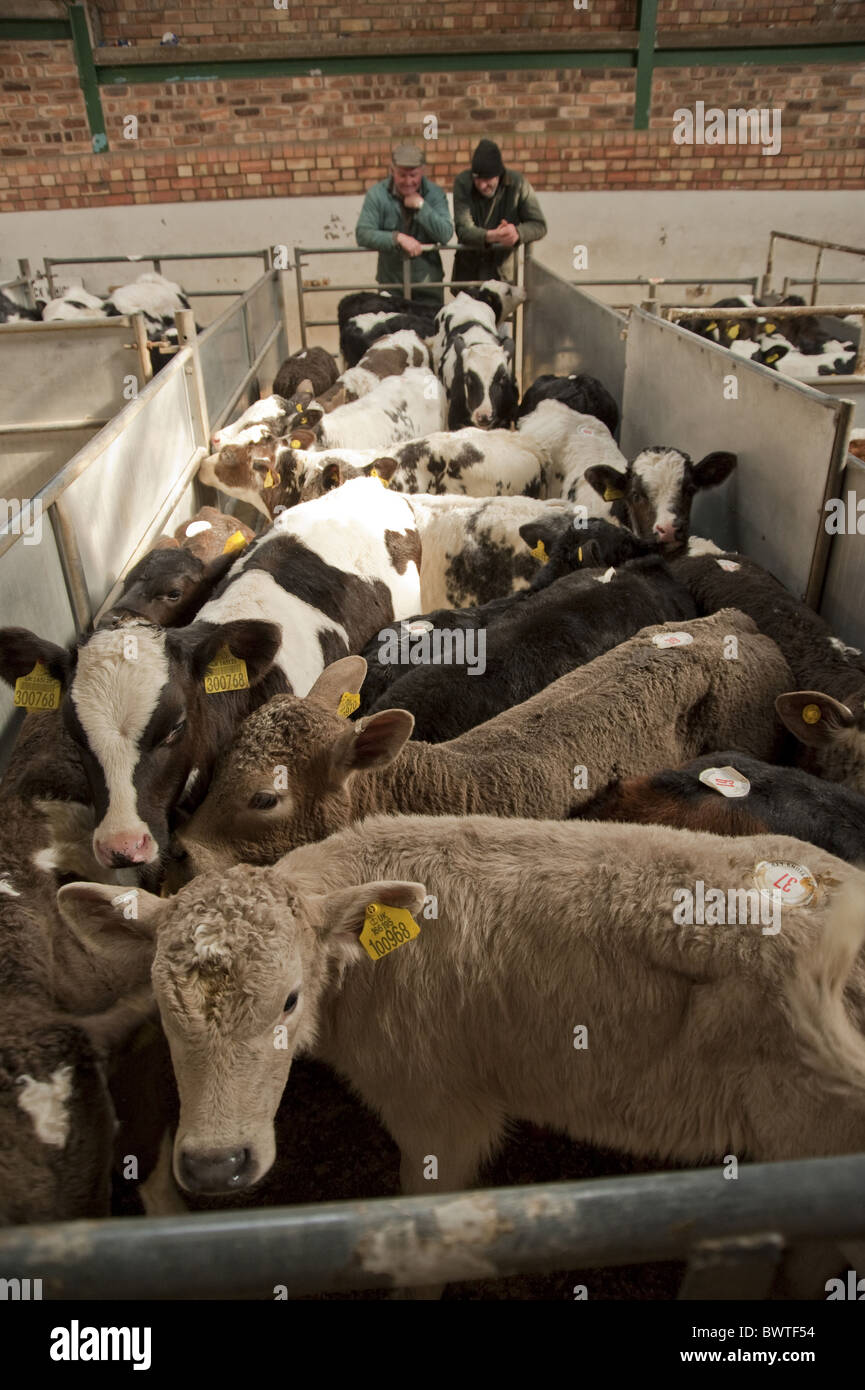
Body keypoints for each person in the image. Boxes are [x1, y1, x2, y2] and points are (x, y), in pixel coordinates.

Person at [355, 142, 454, 304]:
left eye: (413, 175)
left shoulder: (434, 194)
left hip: (428, 287)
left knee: (428, 328)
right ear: (392, 170)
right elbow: (363, 233)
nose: (408, 181)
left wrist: (422, 207)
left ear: (423, 171)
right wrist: (397, 238)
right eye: (402, 175)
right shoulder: (377, 195)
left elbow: (445, 234)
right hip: (392, 286)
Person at [452, 139, 547, 286]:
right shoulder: (463, 183)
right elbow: (463, 229)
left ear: (499, 174)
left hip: (501, 276)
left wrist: (517, 232)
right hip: (468, 275)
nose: (482, 185)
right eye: (477, 179)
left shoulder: (519, 184)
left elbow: (539, 225)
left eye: (488, 179)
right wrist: (493, 236)